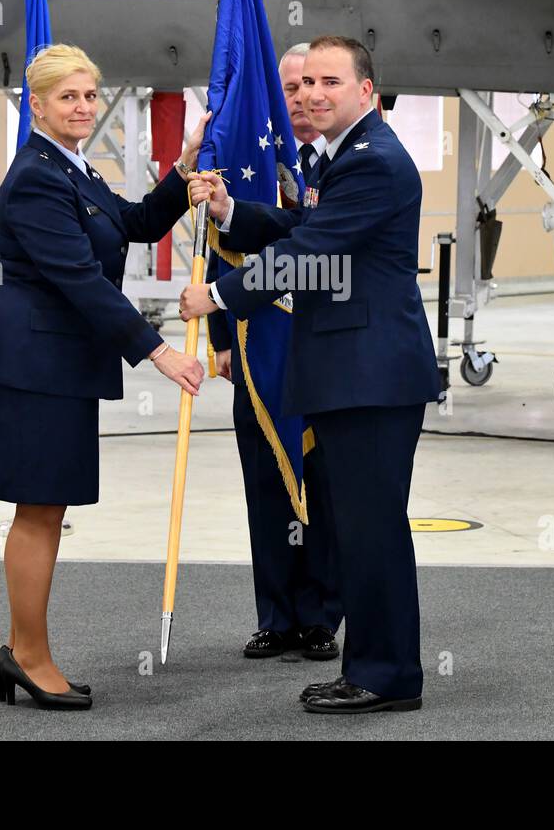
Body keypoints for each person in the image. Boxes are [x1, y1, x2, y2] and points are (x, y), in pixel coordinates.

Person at [181, 35, 440, 714]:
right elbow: (303, 223)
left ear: (367, 91)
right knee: (362, 528)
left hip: (371, 373)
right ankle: (376, 667)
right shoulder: (345, 155)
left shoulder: (373, 162)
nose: (314, 94)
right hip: (353, 369)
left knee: (372, 529)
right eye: (307, 83)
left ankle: (386, 676)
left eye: (331, 81)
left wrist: (218, 296)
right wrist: (234, 213)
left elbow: (309, 251)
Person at [0, 43, 206, 710]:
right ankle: (30, 658)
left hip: (56, 362)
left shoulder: (71, 168)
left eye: (89, 96)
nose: (81, 107)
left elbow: (127, 225)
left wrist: (183, 174)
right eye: (67, 96)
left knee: (45, 507)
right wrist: (158, 351)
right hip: (35, 365)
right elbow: (78, 280)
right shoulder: (39, 176)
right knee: (40, 511)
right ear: (36, 106)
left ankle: (20, 650)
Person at [205, 42, 342, 662]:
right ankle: (275, 615)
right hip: (255, 348)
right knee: (264, 486)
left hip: (318, 352)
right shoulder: (254, 160)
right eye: (288, 89)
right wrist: (219, 338)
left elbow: (322, 255)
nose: (302, 99)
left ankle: (319, 616)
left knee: (320, 487)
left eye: (313, 85)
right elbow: (221, 247)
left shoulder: (336, 164)